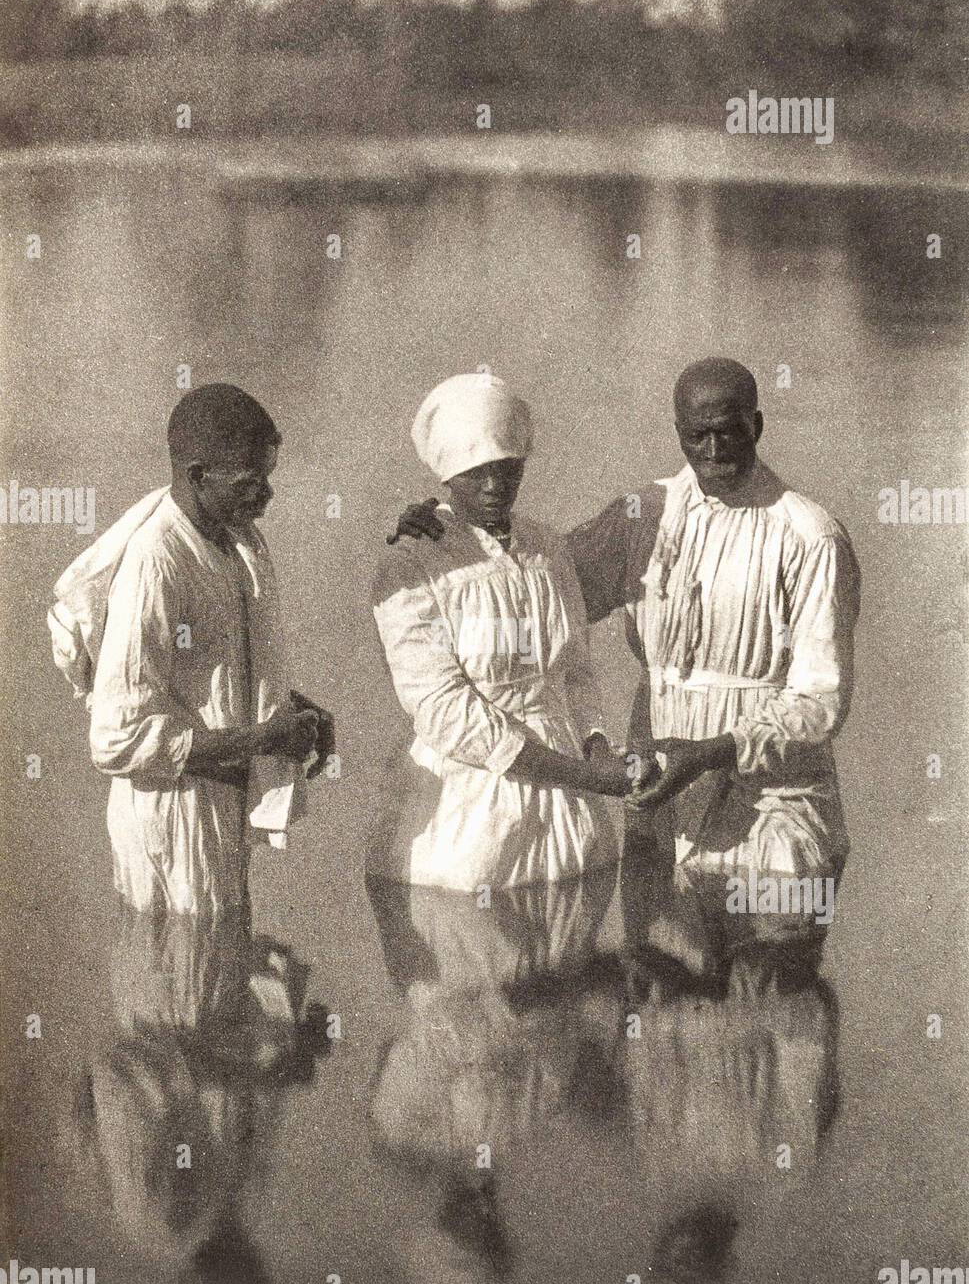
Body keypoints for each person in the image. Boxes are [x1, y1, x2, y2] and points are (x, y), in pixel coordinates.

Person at [387, 357, 860, 963]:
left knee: (776, 982)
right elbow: (536, 588)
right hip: (661, 789)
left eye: (728, 430)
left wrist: (715, 751)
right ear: (677, 430)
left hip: (774, 798)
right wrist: (447, 533)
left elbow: (821, 702)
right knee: (663, 1000)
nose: (712, 448)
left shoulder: (810, 535)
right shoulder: (647, 513)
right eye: (696, 434)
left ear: (757, 425)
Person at [49, 383, 334, 1036]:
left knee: (215, 978)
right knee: (174, 1007)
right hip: (169, 814)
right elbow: (115, 737)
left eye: (269, 477)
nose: (266, 494)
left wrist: (300, 710)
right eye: (250, 480)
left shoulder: (232, 542)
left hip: (217, 804)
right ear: (198, 475)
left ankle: (228, 1096)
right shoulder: (157, 563)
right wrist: (263, 737)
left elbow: (221, 670)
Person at [368, 371, 629, 897]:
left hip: (570, 801)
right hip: (471, 802)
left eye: (508, 471)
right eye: (475, 473)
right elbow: (441, 708)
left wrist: (597, 744)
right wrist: (578, 775)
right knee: (479, 951)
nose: (494, 488)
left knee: (572, 927)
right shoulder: (414, 563)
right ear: (446, 475)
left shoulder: (544, 548)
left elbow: (574, 669)